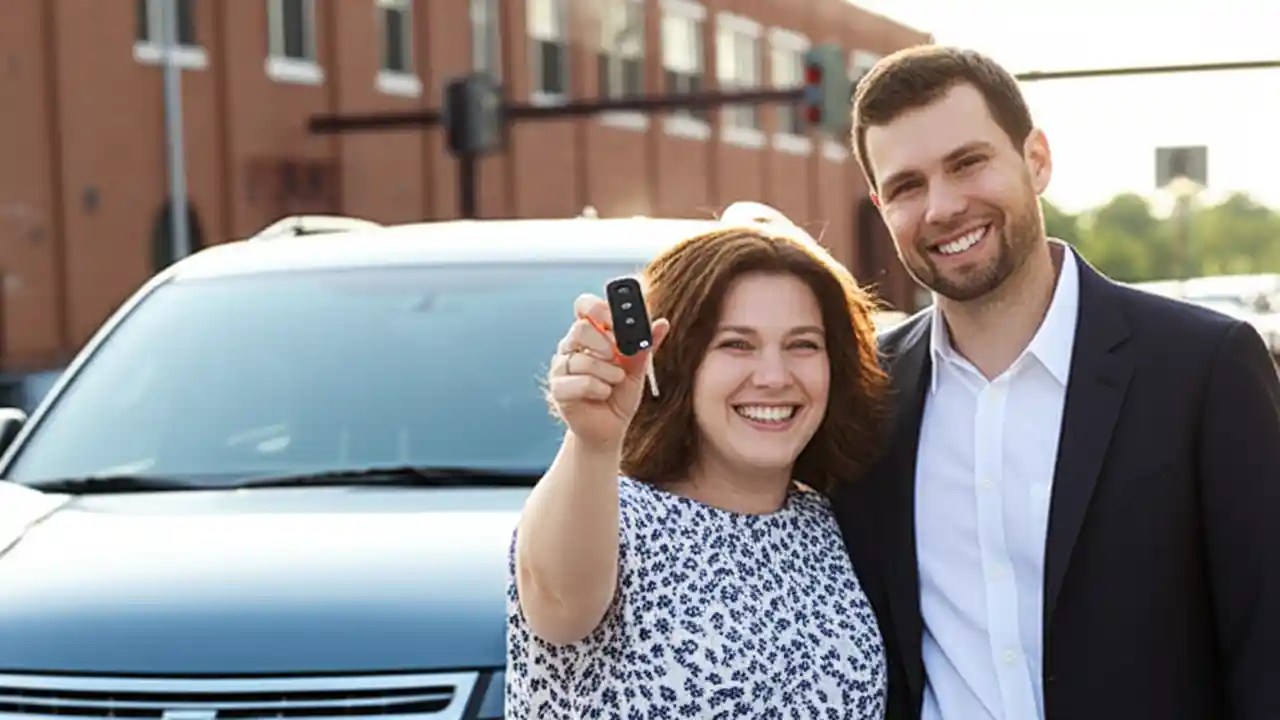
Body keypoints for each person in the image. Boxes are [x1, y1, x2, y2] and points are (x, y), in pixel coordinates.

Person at [831, 44, 1280, 720]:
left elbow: (1267, 644)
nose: (943, 207)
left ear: (1036, 159)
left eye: (968, 163)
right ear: (880, 205)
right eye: (907, 187)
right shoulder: (865, 393)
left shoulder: (1204, 368)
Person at [506, 203, 892, 718]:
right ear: (678, 362)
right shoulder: (612, 515)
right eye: (737, 345)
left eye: (802, 344)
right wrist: (593, 441)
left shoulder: (827, 522)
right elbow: (557, 604)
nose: (774, 376)